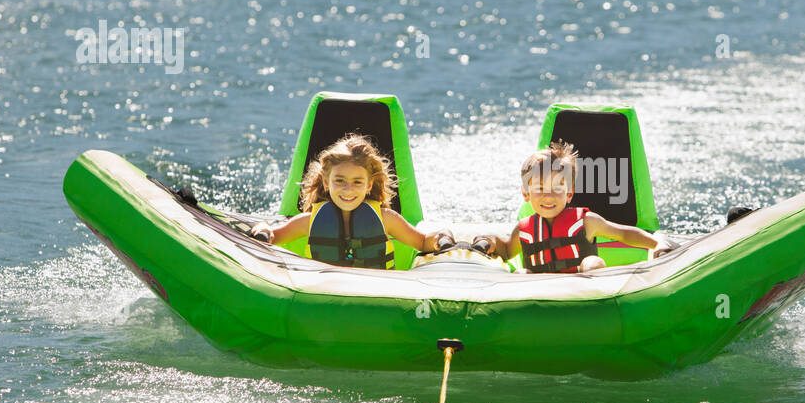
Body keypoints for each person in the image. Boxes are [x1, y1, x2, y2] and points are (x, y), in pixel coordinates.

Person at [251, 134, 451, 267]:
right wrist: (262, 228)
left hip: (379, 297)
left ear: (369, 185)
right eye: (340, 181)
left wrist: (441, 238)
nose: (348, 190)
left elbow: (422, 242)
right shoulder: (309, 221)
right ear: (326, 182)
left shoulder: (386, 219)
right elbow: (273, 237)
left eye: (357, 182)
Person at [475, 141, 671, 273]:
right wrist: (490, 241)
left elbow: (623, 234)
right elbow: (508, 251)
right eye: (540, 188)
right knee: (521, 272)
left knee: (593, 262)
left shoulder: (587, 221)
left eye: (557, 188)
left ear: (569, 194)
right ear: (526, 193)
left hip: (581, 285)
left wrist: (655, 244)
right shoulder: (524, 230)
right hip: (537, 289)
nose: (548, 196)